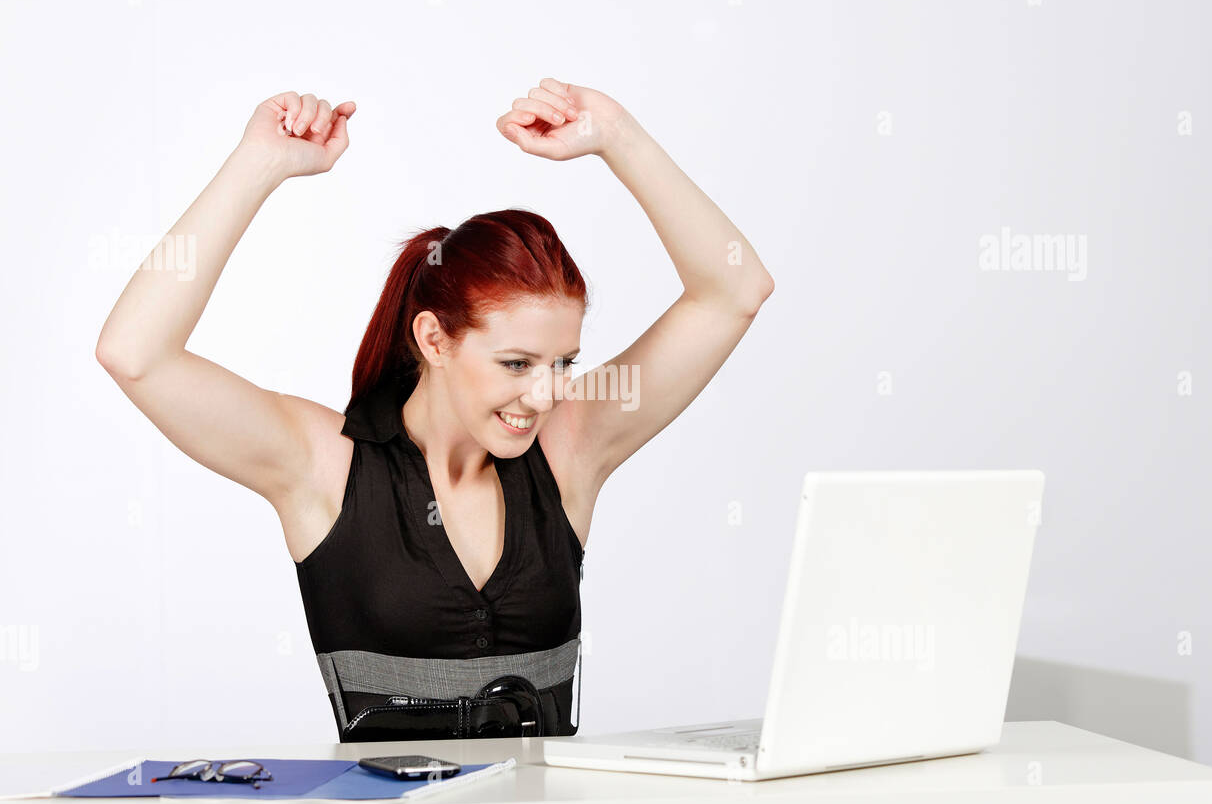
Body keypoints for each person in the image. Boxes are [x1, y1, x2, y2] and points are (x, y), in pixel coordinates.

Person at [96, 78, 775, 742]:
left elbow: (734, 290)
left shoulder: (572, 448)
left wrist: (617, 136)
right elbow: (137, 353)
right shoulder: (325, 466)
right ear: (433, 338)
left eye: (562, 363)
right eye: (516, 364)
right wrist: (258, 164)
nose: (544, 395)